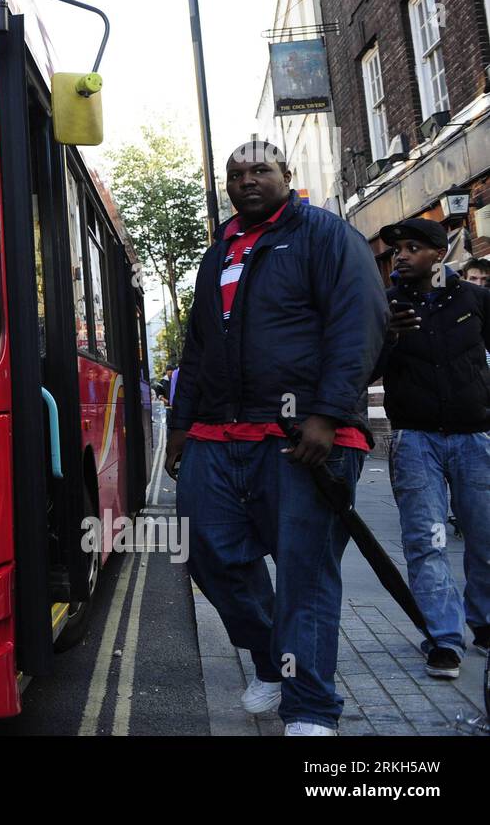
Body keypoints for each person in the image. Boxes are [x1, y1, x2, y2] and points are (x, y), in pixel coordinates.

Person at [163, 142, 387, 737]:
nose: (247, 181)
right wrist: (179, 426)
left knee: (304, 574)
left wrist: (328, 414)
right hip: (217, 432)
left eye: (260, 170)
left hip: (301, 434)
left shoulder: (325, 235)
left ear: (287, 176)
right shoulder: (219, 252)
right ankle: (270, 661)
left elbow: (359, 320)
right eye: (236, 175)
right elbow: (199, 349)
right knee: (205, 550)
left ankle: (310, 707)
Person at [377, 219, 490, 671]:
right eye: (396, 250)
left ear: (438, 255)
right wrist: (388, 338)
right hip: (415, 439)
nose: (400, 256)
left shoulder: (476, 300)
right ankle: (444, 638)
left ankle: (483, 624)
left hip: (474, 438)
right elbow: (362, 370)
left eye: (410, 248)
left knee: (484, 536)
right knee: (427, 539)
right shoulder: (385, 307)